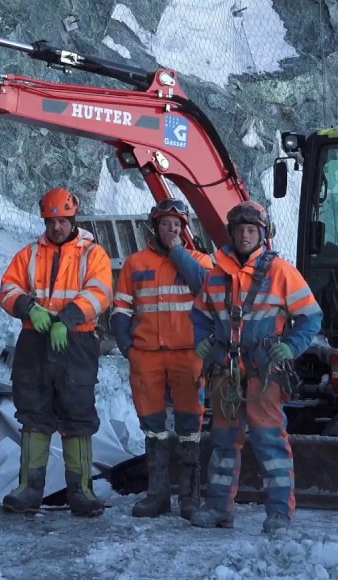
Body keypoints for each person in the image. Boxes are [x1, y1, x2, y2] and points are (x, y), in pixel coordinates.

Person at [189, 201, 322, 534]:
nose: (245, 236)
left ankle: (279, 512)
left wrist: (290, 346)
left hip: (264, 372)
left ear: (262, 234)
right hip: (225, 371)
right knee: (223, 441)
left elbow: (310, 316)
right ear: (231, 233)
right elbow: (200, 315)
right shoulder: (216, 273)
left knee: (269, 441)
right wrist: (203, 340)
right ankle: (219, 507)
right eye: (240, 230)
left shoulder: (280, 272)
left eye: (252, 230)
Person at [0, 187, 113, 517]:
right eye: (51, 221)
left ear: (72, 219)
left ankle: (82, 491)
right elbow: (8, 288)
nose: (56, 227)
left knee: (77, 415)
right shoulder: (29, 253)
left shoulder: (94, 254)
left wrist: (67, 319)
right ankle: (29, 489)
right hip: (35, 343)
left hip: (75, 343)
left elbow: (100, 292)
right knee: (33, 415)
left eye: (61, 221)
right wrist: (27, 307)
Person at [111, 199, 213, 519]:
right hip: (147, 358)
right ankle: (157, 496)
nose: (172, 229)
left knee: (189, 427)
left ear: (185, 230)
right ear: (154, 226)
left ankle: (189, 498)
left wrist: (178, 253)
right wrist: (129, 347)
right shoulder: (135, 263)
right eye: (166, 223)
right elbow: (121, 310)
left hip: (188, 356)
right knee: (153, 429)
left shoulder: (198, 260)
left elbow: (207, 290)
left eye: (178, 224)